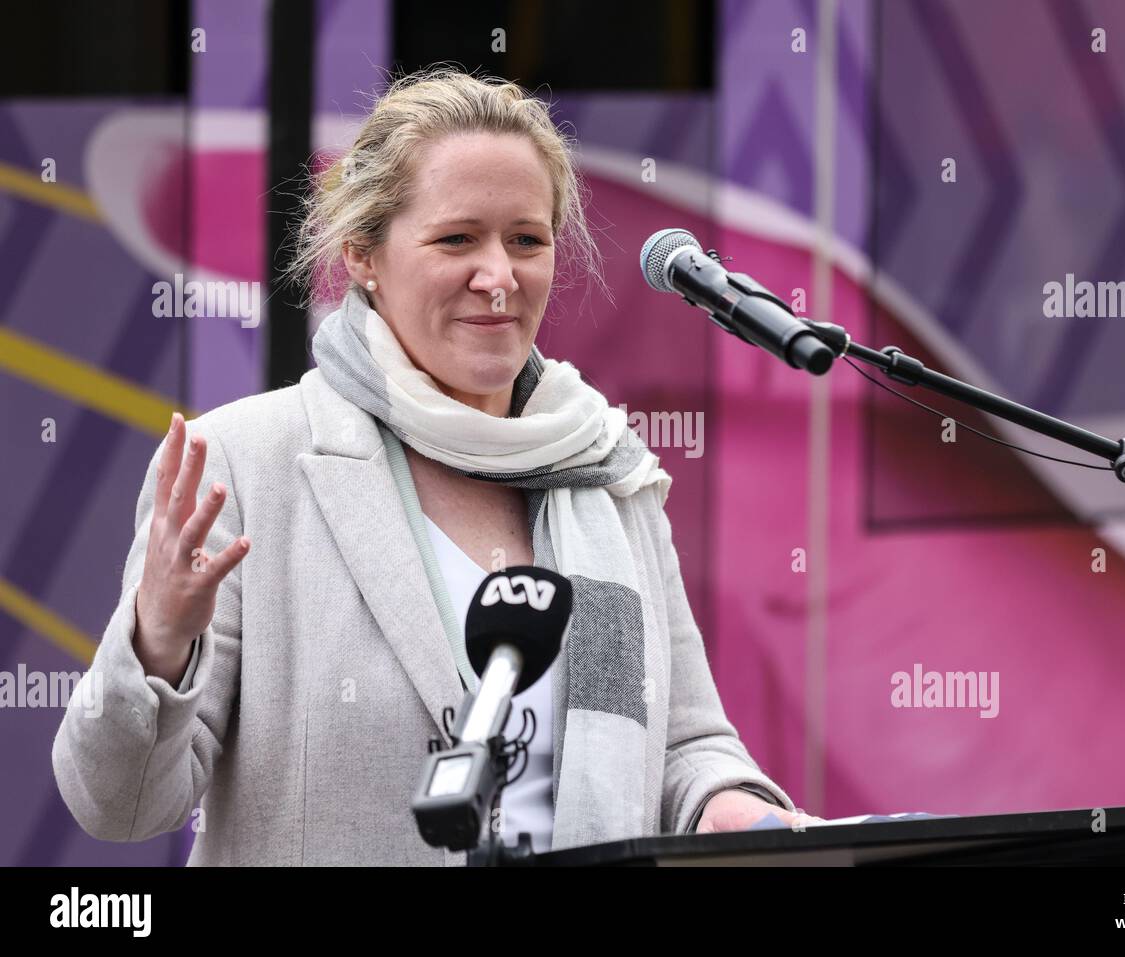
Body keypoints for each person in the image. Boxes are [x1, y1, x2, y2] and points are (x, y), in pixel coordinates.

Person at [52, 67, 807, 865]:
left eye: (526, 239)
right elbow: (117, 802)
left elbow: (687, 746)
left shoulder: (611, 475)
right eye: (457, 239)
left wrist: (743, 814)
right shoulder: (244, 464)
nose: (499, 276)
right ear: (363, 255)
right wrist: (158, 639)